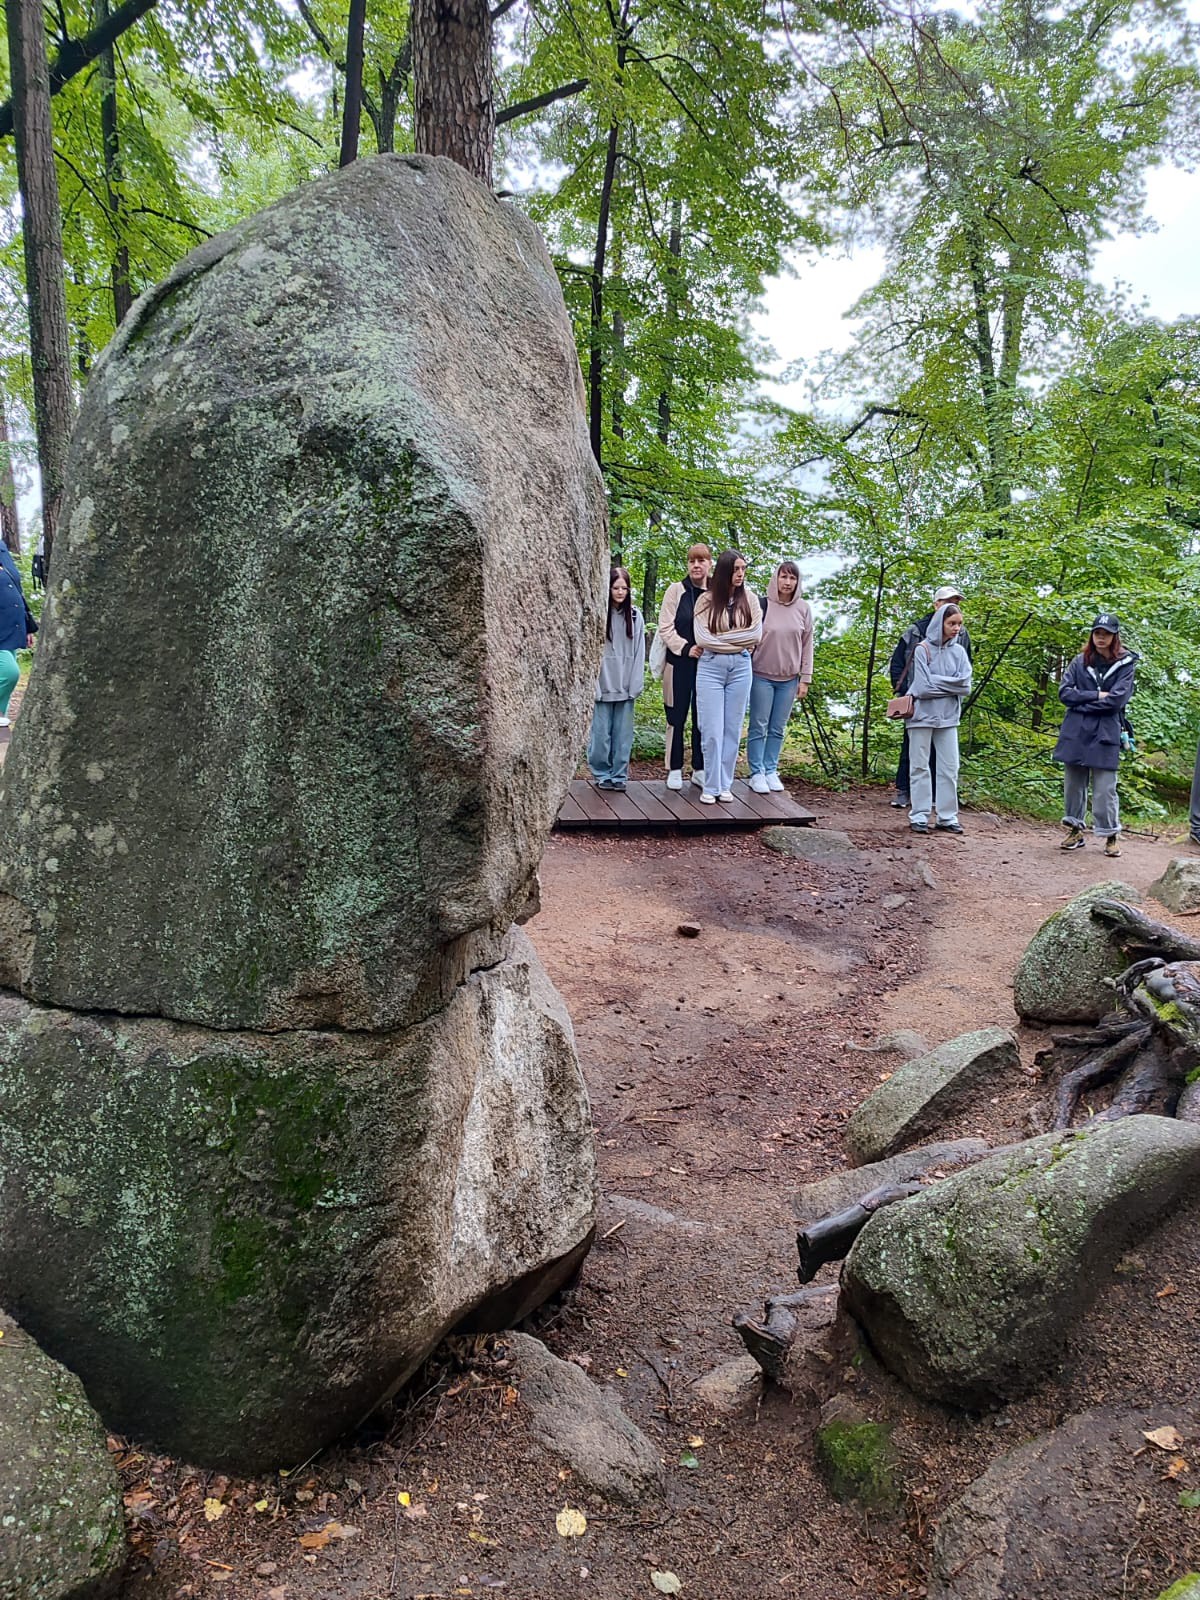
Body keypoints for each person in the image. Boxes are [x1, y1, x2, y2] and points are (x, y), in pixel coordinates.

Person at [1052, 613, 1138, 857]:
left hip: (1106, 731)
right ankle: (1075, 830)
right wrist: (1097, 696)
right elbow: (1065, 693)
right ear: (1092, 635)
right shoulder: (1079, 662)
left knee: (1104, 788)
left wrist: (1084, 701)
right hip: (1075, 730)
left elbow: (1117, 701)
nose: (1101, 638)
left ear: (1114, 637)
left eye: (1106, 634)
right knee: (1073, 784)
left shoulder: (1125, 665)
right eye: (1097, 633)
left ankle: (1110, 834)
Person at [889, 583, 973, 808]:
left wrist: (941, 687)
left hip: (947, 708)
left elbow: (965, 678)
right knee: (912, 751)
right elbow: (898, 663)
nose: (952, 607)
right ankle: (905, 792)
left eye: (955, 603)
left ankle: (940, 801)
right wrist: (906, 692)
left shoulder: (961, 635)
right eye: (947, 602)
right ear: (936, 604)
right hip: (916, 704)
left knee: (946, 759)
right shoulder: (916, 631)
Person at [692, 550, 762, 804]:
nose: (741, 574)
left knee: (732, 729)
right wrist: (734, 641)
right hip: (710, 667)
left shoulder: (751, 599)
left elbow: (755, 635)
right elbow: (702, 638)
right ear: (724, 572)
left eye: (743, 569)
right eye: (736, 569)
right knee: (711, 729)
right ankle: (710, 785)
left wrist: (719, 640)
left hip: (741, 668)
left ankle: (725, 784)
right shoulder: (706, 601)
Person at [747, 560, 813, 794]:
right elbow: (749, 639)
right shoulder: (762, 605)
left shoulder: (803, 609)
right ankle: (756, 772)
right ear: (776, 579)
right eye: (783, 577)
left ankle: (770, 769)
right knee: (759, 725)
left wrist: (805, 677)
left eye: (792, 578)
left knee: (777, 727)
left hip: (789, 679)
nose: (787, 582)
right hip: (761, 676)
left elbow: (807, 644)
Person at [907, 602, 972, 835]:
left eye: (959, 624)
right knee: (919, 766)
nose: (956, 628)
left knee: (949, 767)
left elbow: (965, 686)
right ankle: (920, 815)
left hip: (948, 718)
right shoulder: (922, 649)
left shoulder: (960, 652)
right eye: (951, 623)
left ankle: (947, 817)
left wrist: (938, 682)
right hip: (921, 717)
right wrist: (951, 685)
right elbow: (922, 688)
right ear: (940, 623)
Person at [657, 545, 711, 791]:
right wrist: (686, 647)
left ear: (709, 564)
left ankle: (699, 769)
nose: (696, 565)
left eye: (701, 561)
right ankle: (675, 768)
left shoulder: (715, 594)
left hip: (708, 667)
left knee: (703, 718)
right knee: (676, 716)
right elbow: (665, 627)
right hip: (677, 664)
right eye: (692, 561)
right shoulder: (675, 591)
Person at [587, 565, 645, 791]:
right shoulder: (598, 615)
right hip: (603, 686)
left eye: (624, 588)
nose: (620, 592)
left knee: (623, 736)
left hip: (625, 686)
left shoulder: (634, 616)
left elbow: (639, 652)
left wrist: (635, 684)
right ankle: (602, 773)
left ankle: (619, 775)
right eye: (615, 588)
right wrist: (594, 687)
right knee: (600, 736)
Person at [0, 543, 37, 729]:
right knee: (9, 673)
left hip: (9, 626)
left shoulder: (1, 548)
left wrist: (27, 626)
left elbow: (15, 588)